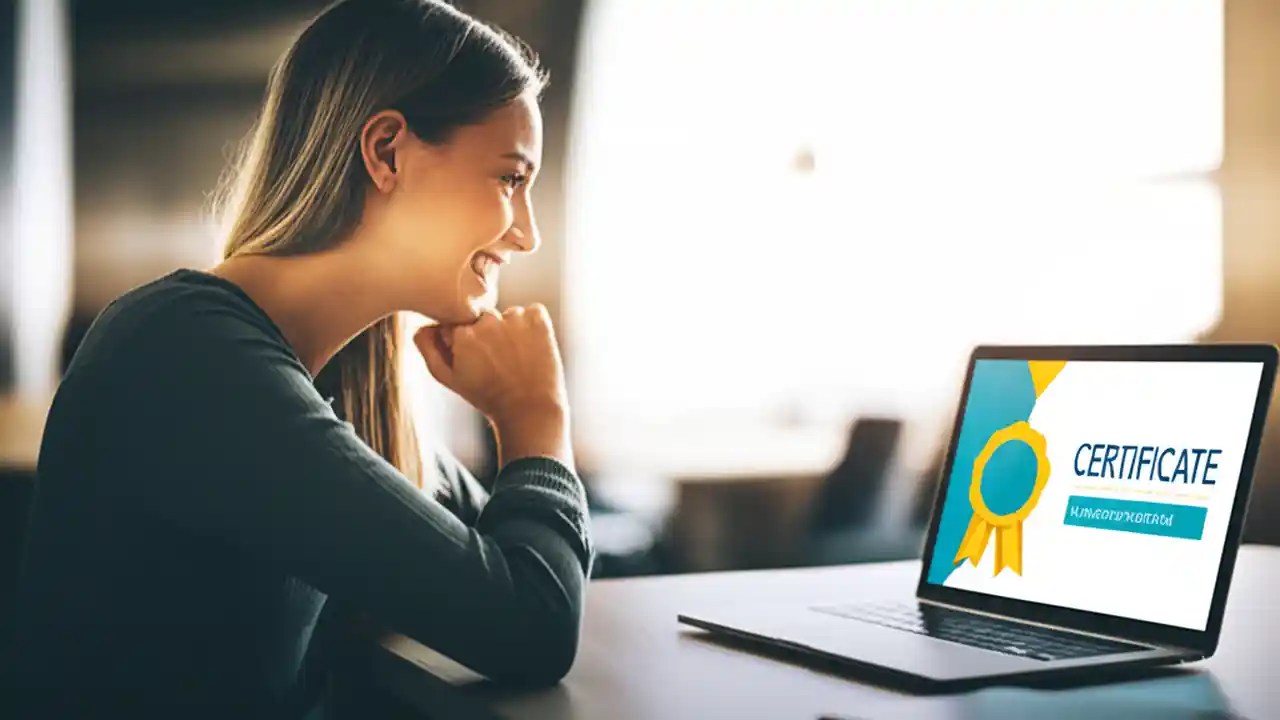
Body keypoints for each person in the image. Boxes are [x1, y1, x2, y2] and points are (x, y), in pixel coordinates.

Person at [2, 0, 593, 716]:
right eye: (509, 178)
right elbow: (530, 625)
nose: (527, 233)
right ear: (385, 153)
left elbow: (498, 569)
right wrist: (538, 418)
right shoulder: (192, 358)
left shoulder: (335, 378)